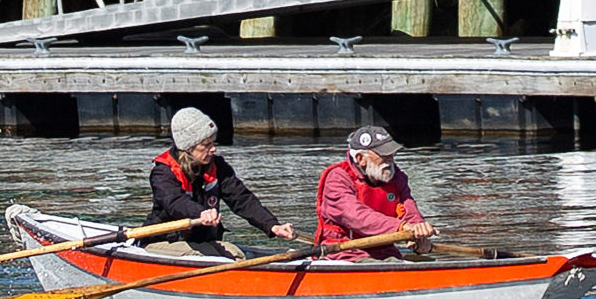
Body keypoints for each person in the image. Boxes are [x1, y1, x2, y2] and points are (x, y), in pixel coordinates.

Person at [139, 107, 297, 259]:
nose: (213, 149)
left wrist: (272, 225)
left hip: (202, 240)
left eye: (213, 143)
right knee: (201, 257)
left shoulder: (217, 167)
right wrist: (200, 213)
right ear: (188, 147)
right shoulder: (163, 173)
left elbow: (241, 199)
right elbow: (174, 202)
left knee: (236, 255)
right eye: (206, 145)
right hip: (162, 241)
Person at [313, 125, 436, 262]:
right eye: (383, 155)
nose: (390, 159)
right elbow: (357, 216)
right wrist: (401, 227)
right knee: (394, 265)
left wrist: (418, 231)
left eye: (392, 154)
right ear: (361, 159)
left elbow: (408, 208)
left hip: (385, 252)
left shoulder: (396, 177)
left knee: (427, 261)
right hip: (345, 252)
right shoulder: (337, 178)